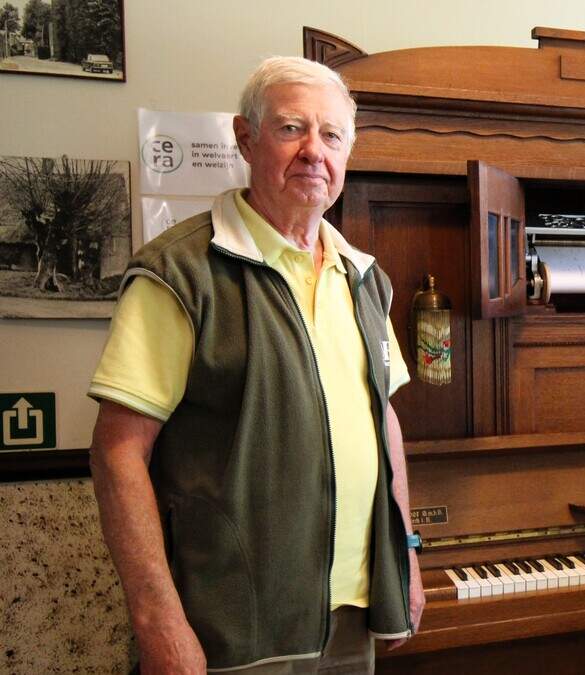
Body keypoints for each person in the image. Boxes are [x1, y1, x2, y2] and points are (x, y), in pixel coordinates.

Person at [88, 56, 423, 673]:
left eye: (332, 135)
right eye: (292, 129)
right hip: (232, 620)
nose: (313, 153)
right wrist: (157, 619)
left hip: (352, 611)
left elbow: (385, 426)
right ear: (246, 138)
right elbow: (117, 451)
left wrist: (406, 559)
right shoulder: (180, 273)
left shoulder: (363, 277)